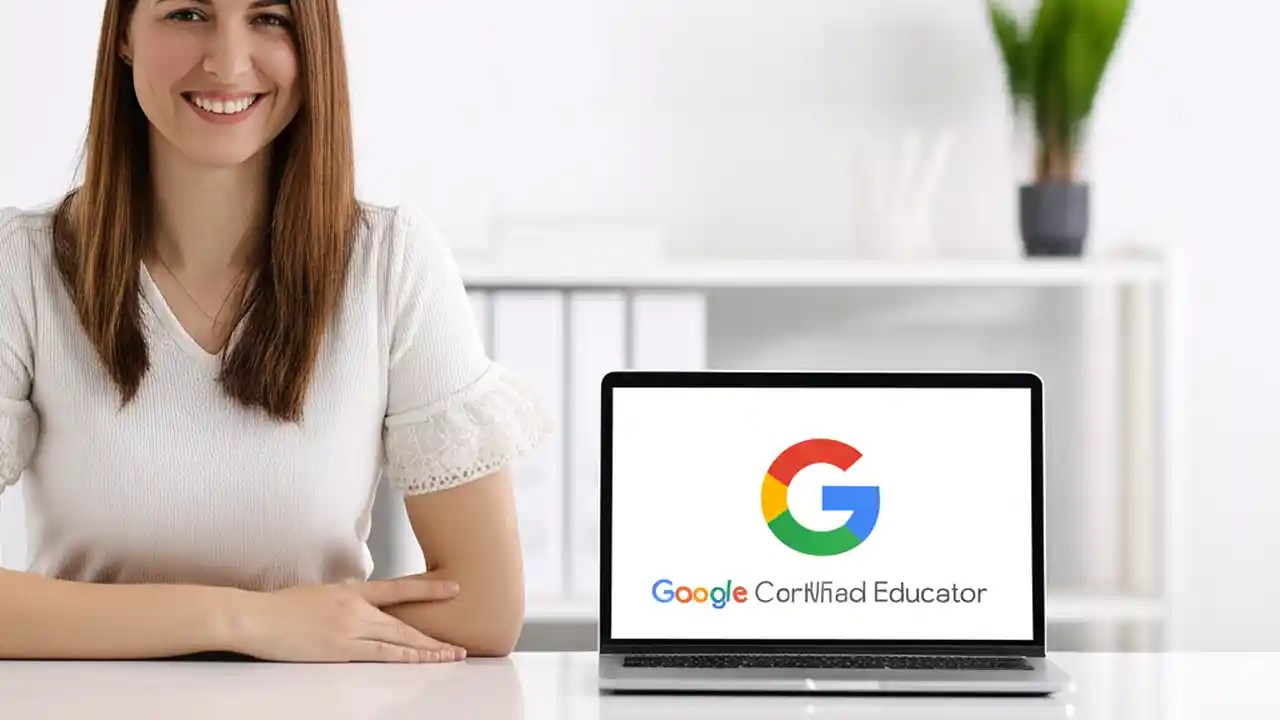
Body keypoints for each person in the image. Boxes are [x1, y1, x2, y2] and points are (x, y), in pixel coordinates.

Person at [0, 0, 554, 663]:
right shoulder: (23, 264)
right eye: (187, 13)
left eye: (269, 18)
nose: (227, 62)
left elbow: (484, 607)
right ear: (123, 35)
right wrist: (248, 621)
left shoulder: (390, 262)